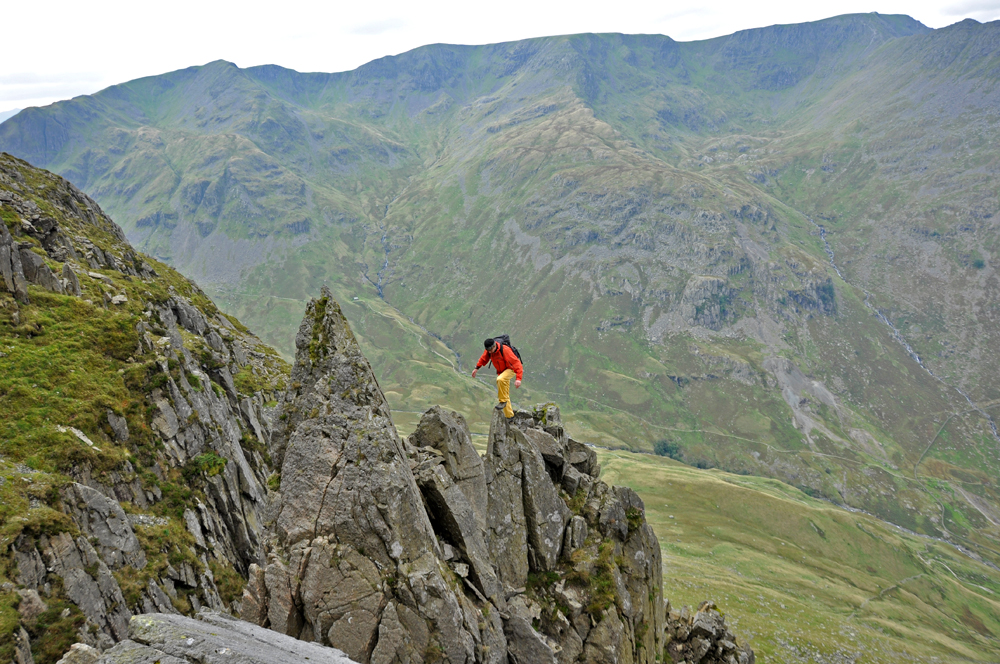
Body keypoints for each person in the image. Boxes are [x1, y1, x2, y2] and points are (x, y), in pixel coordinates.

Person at [472, 337, 523, 418]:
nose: (489, 352)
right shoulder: (489, 350)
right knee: (505, 393)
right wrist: (476, 368)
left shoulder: (505, 350)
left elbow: (517, 364)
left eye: (490, 350)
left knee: (500, 379)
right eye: (488, 350)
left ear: (494, 346)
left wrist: (518, 379)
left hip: (511, 369)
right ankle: (510, 416)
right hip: (502, 371)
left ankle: (502, 401)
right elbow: (483, 358)